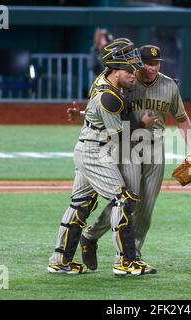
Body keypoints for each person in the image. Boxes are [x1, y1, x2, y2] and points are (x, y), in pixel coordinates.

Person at [69, 44, 191, 274]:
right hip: (127, 145)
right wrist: (81, 114)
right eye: (147, 63)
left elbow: (182, 119)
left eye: (156, 63)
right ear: (139, 63)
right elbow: (104, 107)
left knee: (146, 206)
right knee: (129, 199)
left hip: (155, 146)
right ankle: (93, 237)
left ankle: (134, 254)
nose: (152, 68)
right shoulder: (127, 82)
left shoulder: (168, 85)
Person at [47, 38, 157, 276]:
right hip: (95, 152)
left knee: (80, 204)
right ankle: (125, 262)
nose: (134, 74)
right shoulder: (110, 97)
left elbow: (100, 111)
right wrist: (144, 124)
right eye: (129, 70)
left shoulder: (104, 82)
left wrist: (84, 114)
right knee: (123, 199)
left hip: (87, 147)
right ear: (115, 71)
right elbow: (121, 137)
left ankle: (59, 261)